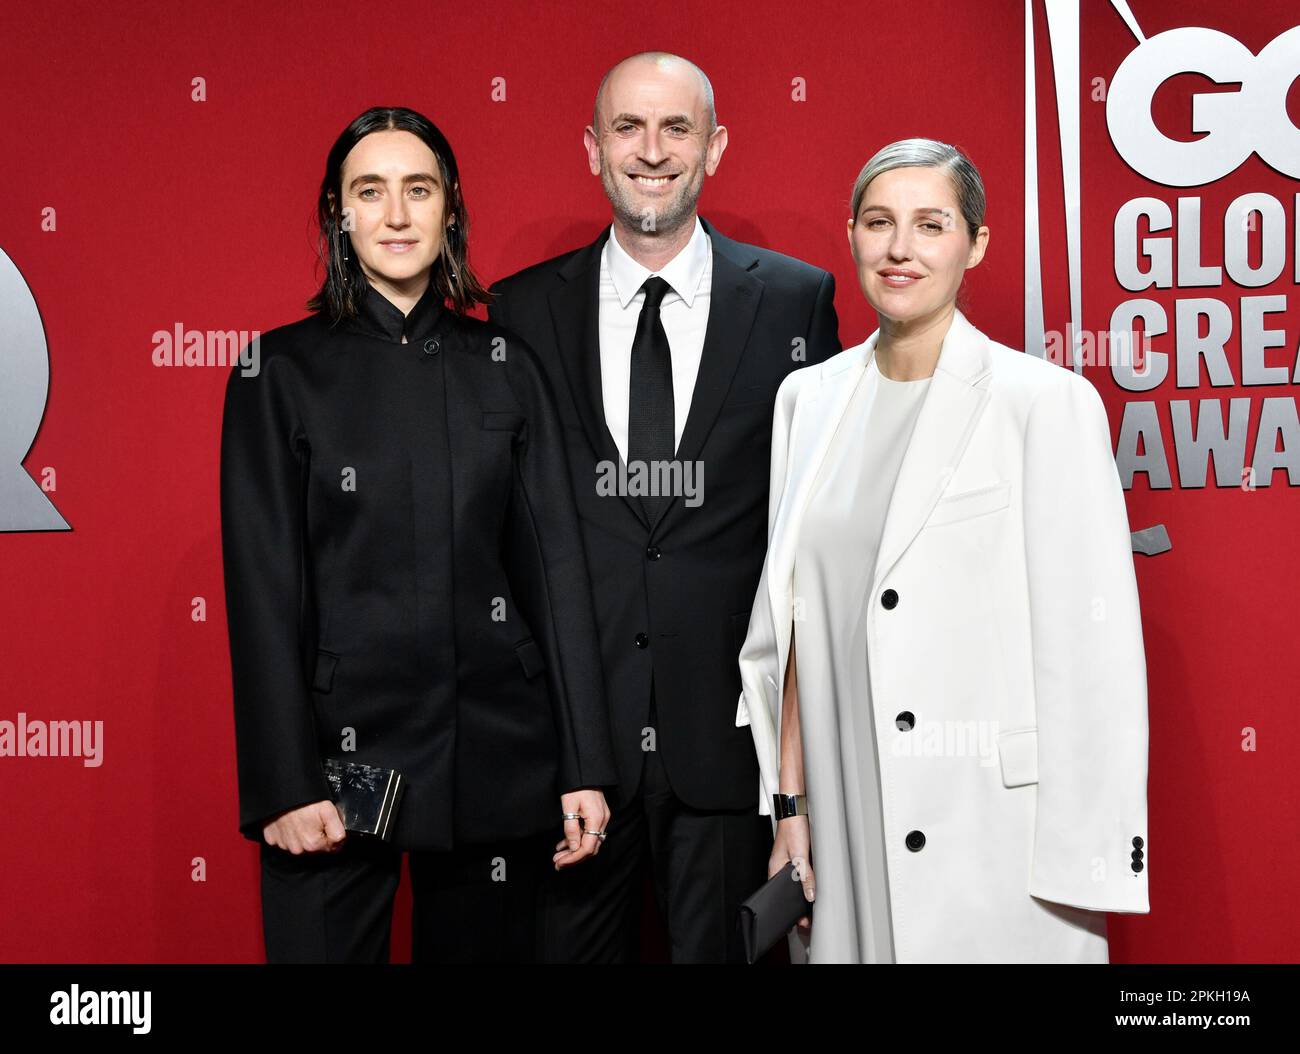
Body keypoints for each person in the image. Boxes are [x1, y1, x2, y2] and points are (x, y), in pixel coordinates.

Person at [738, 138, 1151, 963]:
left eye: (932, 225)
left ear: (977, 243)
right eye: (880, 223)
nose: (901, 249)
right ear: (850, 233)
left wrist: (1085, 858)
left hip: (998, 838)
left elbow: (1093, 650)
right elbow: (789, 632)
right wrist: (790, 811)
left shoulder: (1046, 403)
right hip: (850, 824)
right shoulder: (806, 402)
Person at [220, 106, 616, 964]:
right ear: (339, 214)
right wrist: (284, 784)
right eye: (371, 191)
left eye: (419, 190)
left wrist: (585, 764)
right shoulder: (277, 372)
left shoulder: (508, 366)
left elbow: (555, 574)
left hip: (497, 756)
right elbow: (262, 594)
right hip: (334, 768)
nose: (397, 215)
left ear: (450, 209)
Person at [487, 52, 841, 963]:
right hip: (575, 755)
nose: (652, 151)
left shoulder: (797, 300)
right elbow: (508, 532)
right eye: (628, 129)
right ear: (593, 150)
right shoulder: (520, 312)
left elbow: (814, 536)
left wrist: (797, 784)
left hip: (727, 747)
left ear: (714, 147)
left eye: (676, 128)